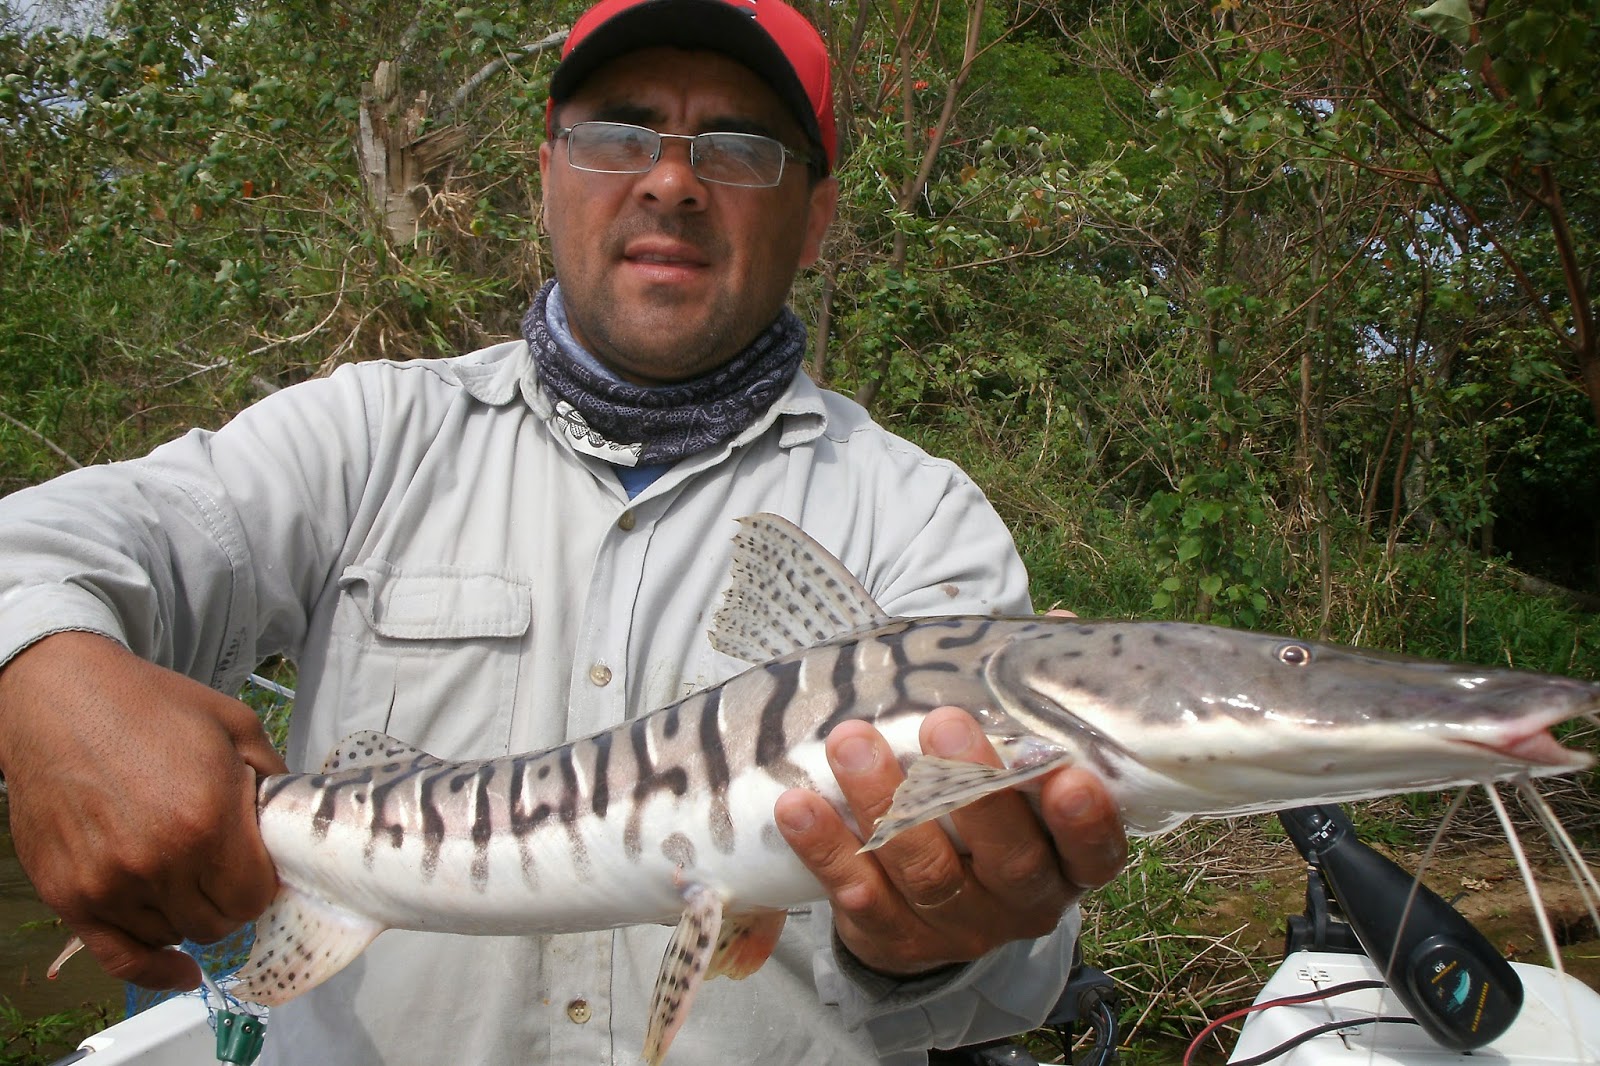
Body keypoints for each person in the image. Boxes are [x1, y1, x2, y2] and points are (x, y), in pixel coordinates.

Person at [0, 0, 1129, 1062]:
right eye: (619, 135)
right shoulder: (366, 433)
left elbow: (1012, 964)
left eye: (737, 148)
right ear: (546, 178)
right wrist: (47, 679)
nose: (673, 183)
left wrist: (920, 937)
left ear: (817, 218)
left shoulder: (918, 516)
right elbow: (42, 545)